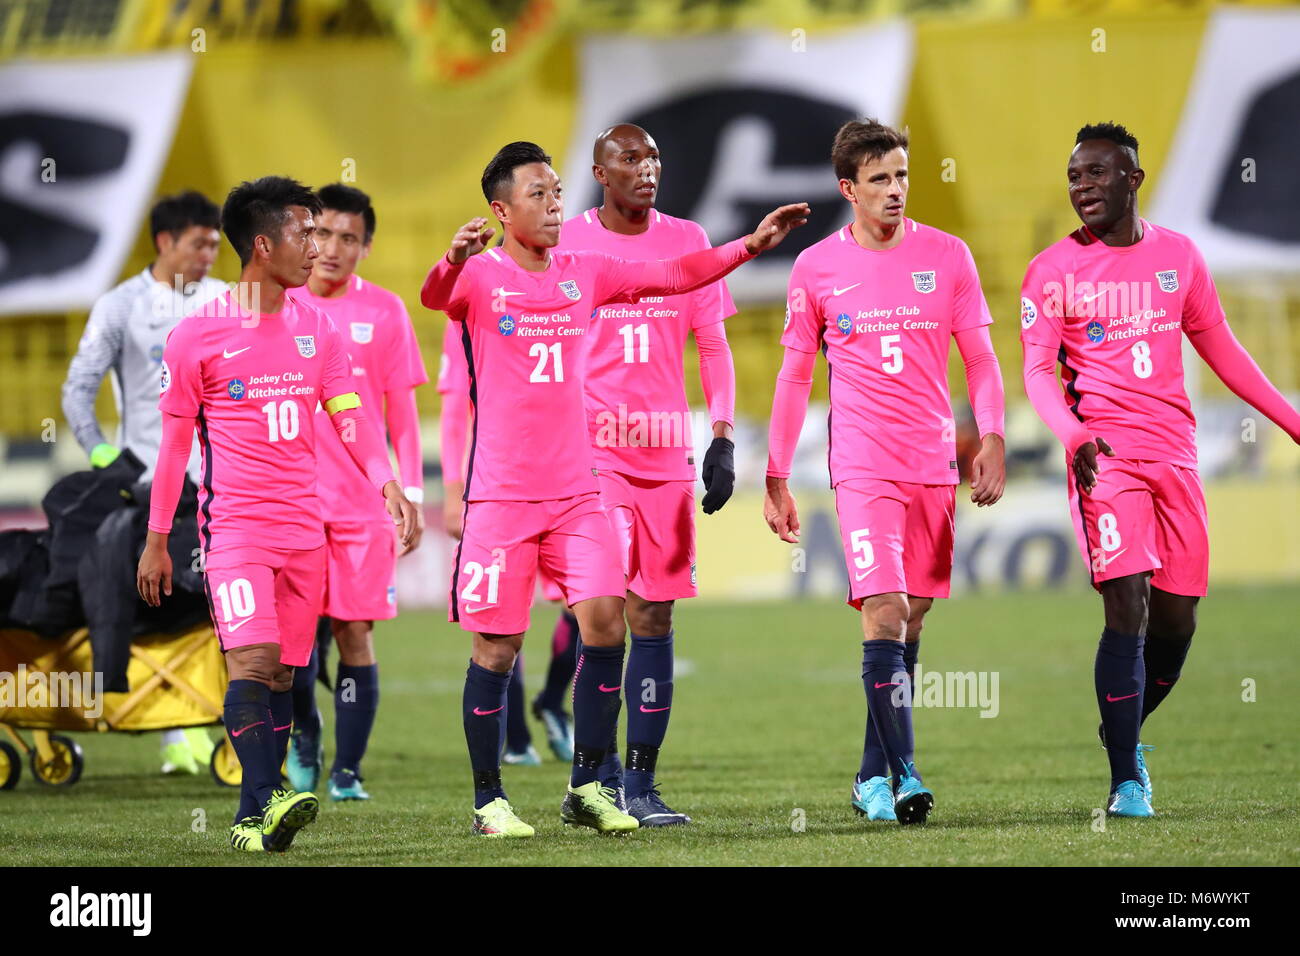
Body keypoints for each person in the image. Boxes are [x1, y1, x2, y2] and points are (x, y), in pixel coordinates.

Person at [421, 140, 807, 838]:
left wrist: (749, 246)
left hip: (576, 492)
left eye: (557, 192)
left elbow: (674, 272)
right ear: (501, 210)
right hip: (502, 497)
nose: (554, 205)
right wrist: (451, 258)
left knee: (606, 626)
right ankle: (489, 802)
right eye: (537, 195)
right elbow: (435, 297)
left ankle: (587, 786)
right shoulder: (480, 277)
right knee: (497, 649)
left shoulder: (584, 270)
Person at [1019, 122, 1300, 817]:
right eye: (1074, 176)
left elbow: (1225, 353)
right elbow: (1035, 372)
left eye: (1096, 174)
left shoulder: (1179, 258)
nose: (1082, 186)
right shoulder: (1052, 271)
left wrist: (1295, 422)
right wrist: (1073, 432)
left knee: (1176, 622)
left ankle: (1123, 729)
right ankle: (1126, 782)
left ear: (1133, 179)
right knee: (1128, 603)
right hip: (1105, 461)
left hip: (1176, 456)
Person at [137, 176, 418, 852]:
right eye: (305, 233)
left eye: (324, 234)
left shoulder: (316, 329)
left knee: (288, 675)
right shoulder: (196, 337)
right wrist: (155, 541)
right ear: (262, 246)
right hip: (236, 531)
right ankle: (267, 802)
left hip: (306, 531)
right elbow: (175, 448)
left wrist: (387, 484)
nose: (317, 247)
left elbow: (350, 415)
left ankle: (252, 812)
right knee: (254, 662)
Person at [764, 119, 1006, 826]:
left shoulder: (949, 256)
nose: (895, 190)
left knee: (913, 620)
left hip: (932, 463)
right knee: (886, 611)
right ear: (849, 189)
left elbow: (982, 360)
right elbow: (793, 374)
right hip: (863, 464)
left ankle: (871, 774)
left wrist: (990, 435)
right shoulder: (816, 268)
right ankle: (904, 775)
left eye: (902, 175)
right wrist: (776, 474)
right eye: (879, 180)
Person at [554, 123, 737, 826]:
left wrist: (722, 435)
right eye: (631, 158)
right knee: (602, 615)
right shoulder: (566, 243)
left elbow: (712, 343)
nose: (647, 167)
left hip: (665, 454)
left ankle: (640, 786)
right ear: (602, 172)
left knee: (653, 614)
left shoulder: (688, 241)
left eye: (655, 156)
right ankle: (589, 781)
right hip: (590, 451)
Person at [61, 190, 227, 775]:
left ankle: (210, 724)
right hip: (147, 485)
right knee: (167, 602)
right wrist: (108, 458)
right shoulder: (120, 306)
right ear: (165, 242)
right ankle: (177, 732)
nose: (210, 254)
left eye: (215, 244)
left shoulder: (227, 302)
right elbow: (77, 392)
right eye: (199, 243)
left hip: (219, 485)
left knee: (223, 603)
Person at [277, 184, 428, 801]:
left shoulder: (386, 311)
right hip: (292, 501)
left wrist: (411, 491)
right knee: (293, 646)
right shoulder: (277, 310)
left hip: (364, 505)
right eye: (323, 234)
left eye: (349, 238)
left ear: (366, 247)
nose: (333, 249)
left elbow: (403, 414)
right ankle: (307, 733)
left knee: (353, 634)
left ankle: (347, 769)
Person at [438, 317, 577, 767]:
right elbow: (456, 405)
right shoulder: (469, 309)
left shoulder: (566, 294)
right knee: (502, 623)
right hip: (498, 488)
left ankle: (553, 701)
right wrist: (454, 486)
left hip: (565, 480)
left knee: (590, 606)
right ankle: (517, 741)